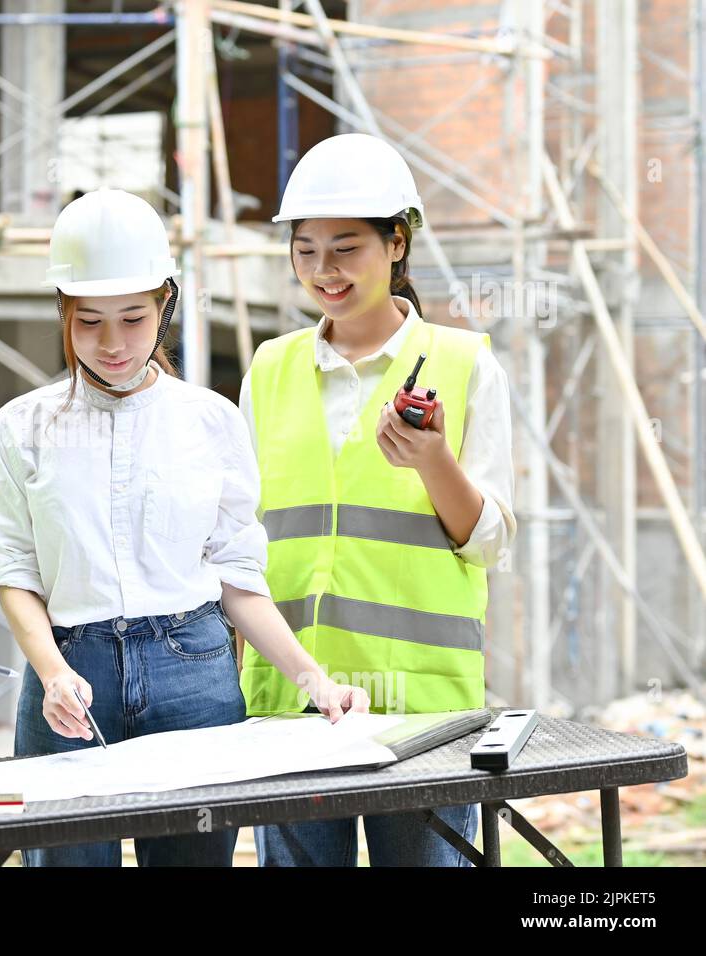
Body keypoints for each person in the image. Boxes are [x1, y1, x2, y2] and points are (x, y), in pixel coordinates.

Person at [0, 188, 370, 868]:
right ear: (63, 315)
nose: (111, 344)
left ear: (166, 304)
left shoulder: (210, 421)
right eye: (88, 321)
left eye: (132, 318)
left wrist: (316, 683)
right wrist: (53, 669)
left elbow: (239, 579)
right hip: (69, 675)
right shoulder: (23, 427)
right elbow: (13, 569)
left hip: (194, 672)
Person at [239, 133, 516, 866]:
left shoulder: (463, 364)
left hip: (420, 708)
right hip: (293, 701)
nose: (323, 272)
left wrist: (433, 463)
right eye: (305, 250)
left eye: (345, 248)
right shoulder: (271, 369)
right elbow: (236, 538)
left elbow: (490, 541)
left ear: (398, 243)